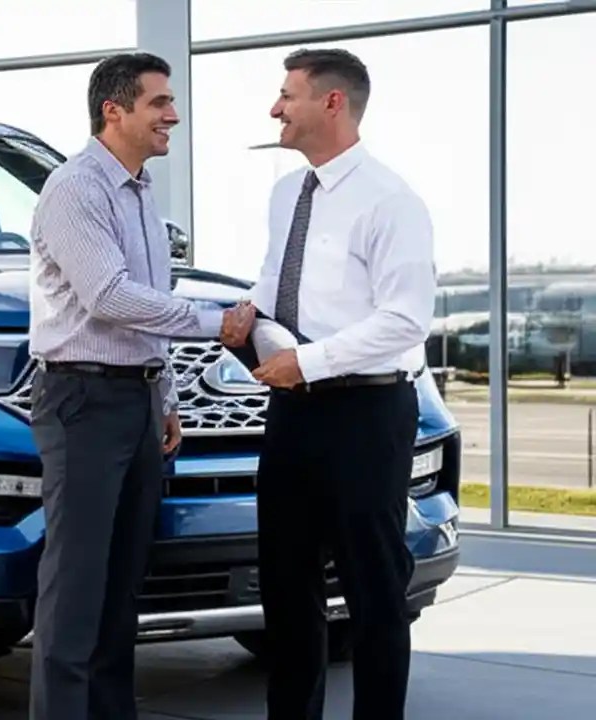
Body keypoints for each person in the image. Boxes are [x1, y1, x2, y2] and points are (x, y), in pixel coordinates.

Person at [219, 48, 436, 720]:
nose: (275, 108)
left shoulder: (392, 201)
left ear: (332, 103)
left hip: (367, 413)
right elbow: (277, 281)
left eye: (287, 94)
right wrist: (245, 314)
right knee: (286, 588)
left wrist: (308, 363)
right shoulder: (288, 193)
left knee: (374, 592)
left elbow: (405, 320)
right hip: (292, 413)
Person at [27, 52, 223, 720]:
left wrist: (163, 396)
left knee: (119, 593)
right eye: (159, 103)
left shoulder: (140, 193)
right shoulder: (75, 188)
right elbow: (110, 297)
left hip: (135, 403)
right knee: (76, 589)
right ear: (114, 110)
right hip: (82, 402)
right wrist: (216, 324)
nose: (173, 116)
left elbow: (150, 301)